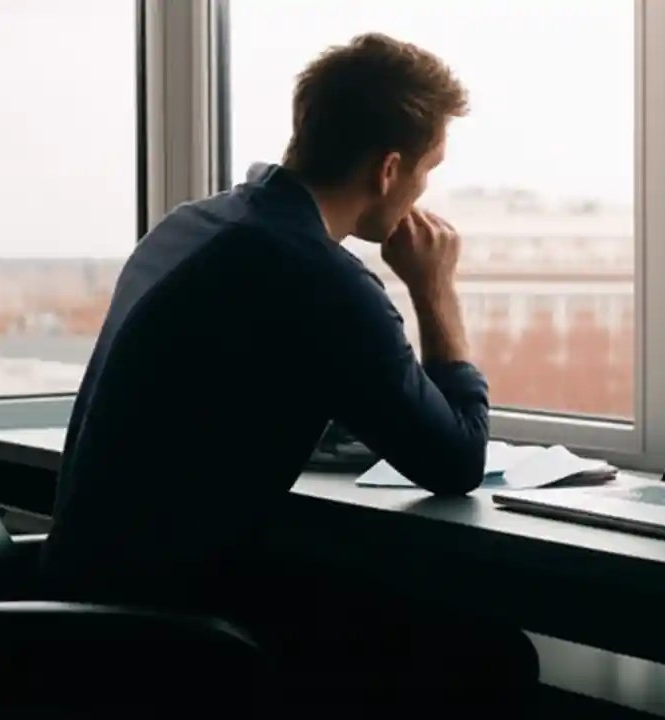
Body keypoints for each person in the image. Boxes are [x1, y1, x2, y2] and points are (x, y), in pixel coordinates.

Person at [40, 32, 538, 713]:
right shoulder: (317, 276)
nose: (427, 190)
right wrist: (435, 293)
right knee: (492, 655)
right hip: (164, 630)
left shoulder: (194, 223)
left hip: (89, 596)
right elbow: (455, 460)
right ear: (389, 170)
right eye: (430, 168)